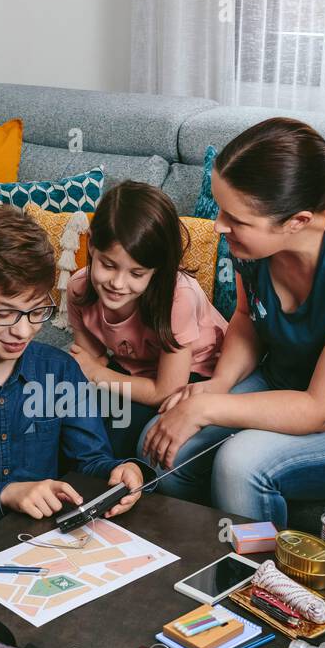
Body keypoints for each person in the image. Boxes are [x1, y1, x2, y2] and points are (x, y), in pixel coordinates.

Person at [141, 117, 325, 525]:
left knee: (241, 463)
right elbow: (247, 317)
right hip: (286, 382)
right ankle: (195, 557)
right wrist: (218, 385)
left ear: (297, 220)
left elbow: (322, 408)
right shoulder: (250, 245)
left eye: (237, 219)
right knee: (159, 443)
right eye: (222, 211)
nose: (219, 226)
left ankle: (253, 582)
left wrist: (208, 409)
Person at [0, 204, 144, 546]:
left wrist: (120, 471)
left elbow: (90, 461)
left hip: (51, 550)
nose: (23, 330)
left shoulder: (59, 371)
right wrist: (4, 495)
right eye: (4, 312)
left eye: (37, 310)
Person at [66, 181, 228, 457]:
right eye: (108, 265)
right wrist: (94, 375)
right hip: (133, 370)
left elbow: (166, 390)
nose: (118, 283)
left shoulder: (179, 297)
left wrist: (98, 374)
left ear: (156, 269)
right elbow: (88, 362)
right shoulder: (78, 288)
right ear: (91, 244)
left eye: (137, 274)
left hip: (193, 373)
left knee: (118, 440)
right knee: (71, 425)